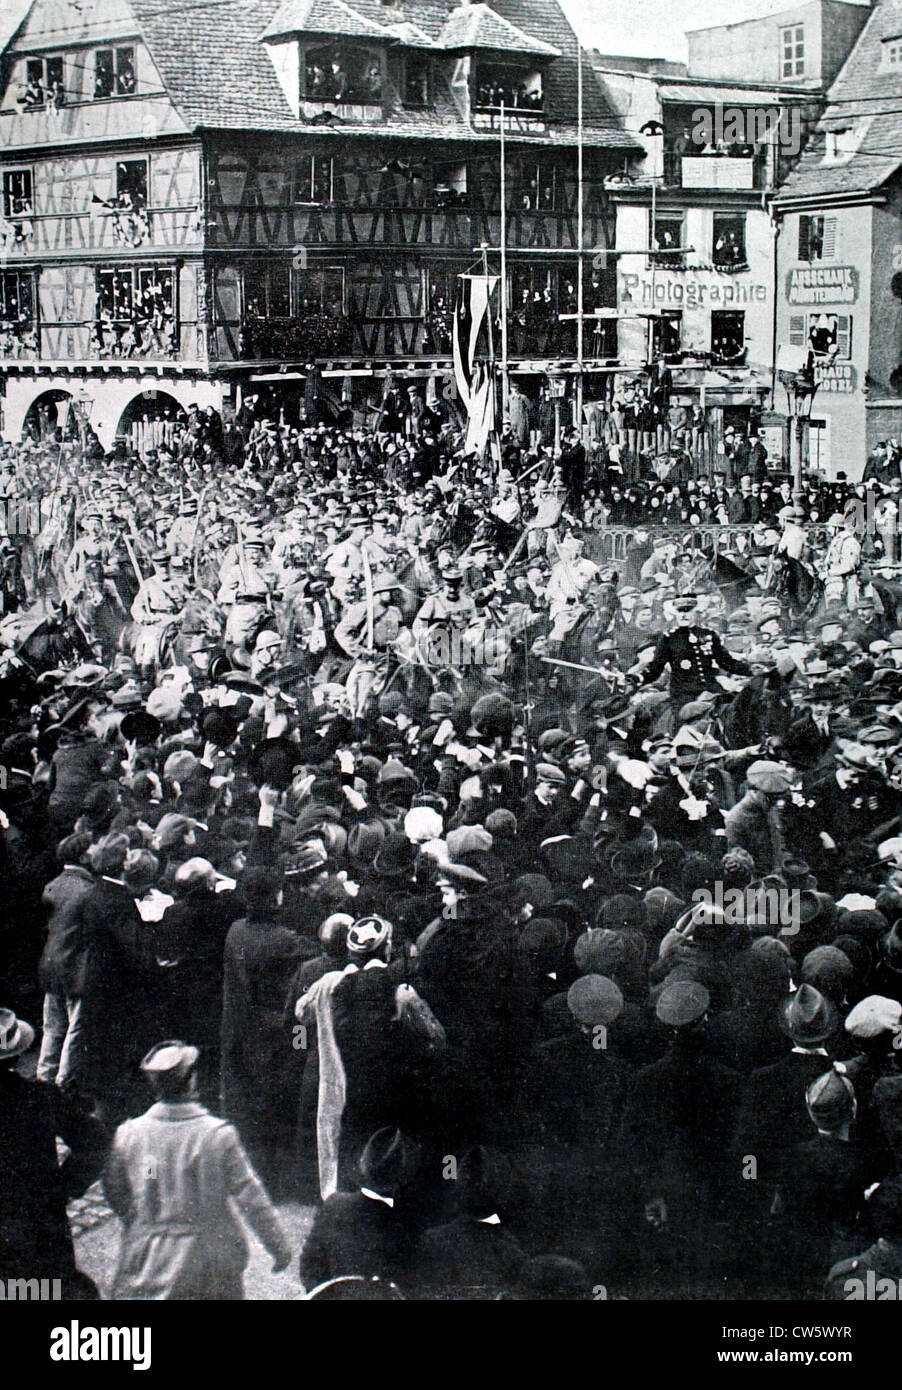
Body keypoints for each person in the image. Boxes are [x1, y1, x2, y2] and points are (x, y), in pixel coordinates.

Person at [103, 1039, 291, 1299]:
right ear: (191, 1080)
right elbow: (252, 1198)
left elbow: (115, 1188)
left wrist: (141, 1221)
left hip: (148, 1258)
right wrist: (278, 1247)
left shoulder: (130, 1134)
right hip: (209, 1259)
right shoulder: (218, 1136)